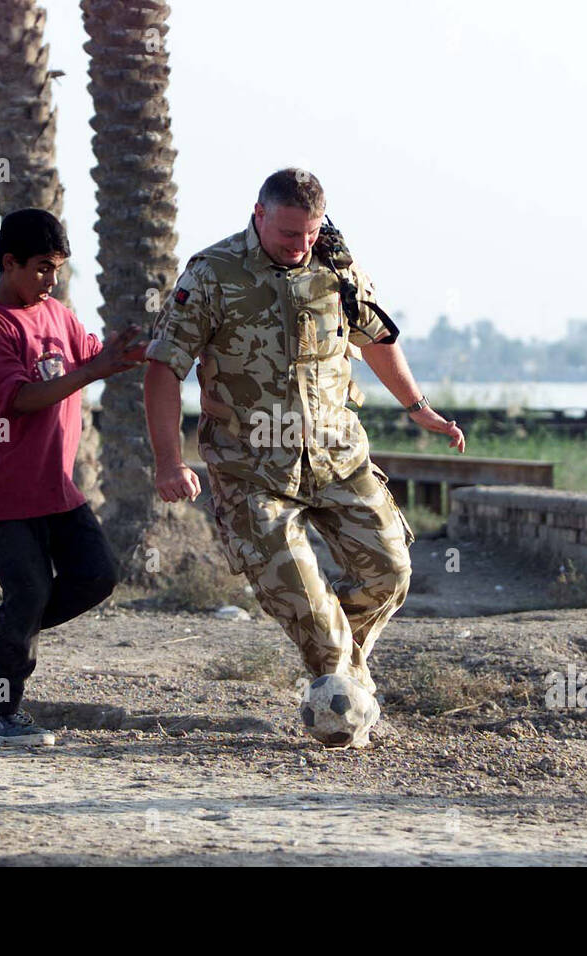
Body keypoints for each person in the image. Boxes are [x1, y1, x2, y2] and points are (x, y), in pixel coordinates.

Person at [143, 169, 466, 743]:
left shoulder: (336, 267)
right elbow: (164, 366)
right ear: (259, 215)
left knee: (389, 571)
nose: (301, 246)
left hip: (338, 457)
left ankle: (342, 677)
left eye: (310, 234)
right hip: (251, 469)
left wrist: (419, 407)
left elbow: (378, 338)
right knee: (309, 607)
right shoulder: (212, 274)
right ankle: (340, 699)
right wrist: (170, 462)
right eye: (290, 233)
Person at [0, 208, 145, 748]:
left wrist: (159, 349)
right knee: (32, 591)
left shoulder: (58, 315)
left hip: (57, 488)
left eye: (58, 268)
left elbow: (99, 356)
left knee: (99, 575)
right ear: (8, 262)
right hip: (3, 494)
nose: (52, 279)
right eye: (42, 267)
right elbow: (20, 398)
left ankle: (1, 623)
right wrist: (91, 371)